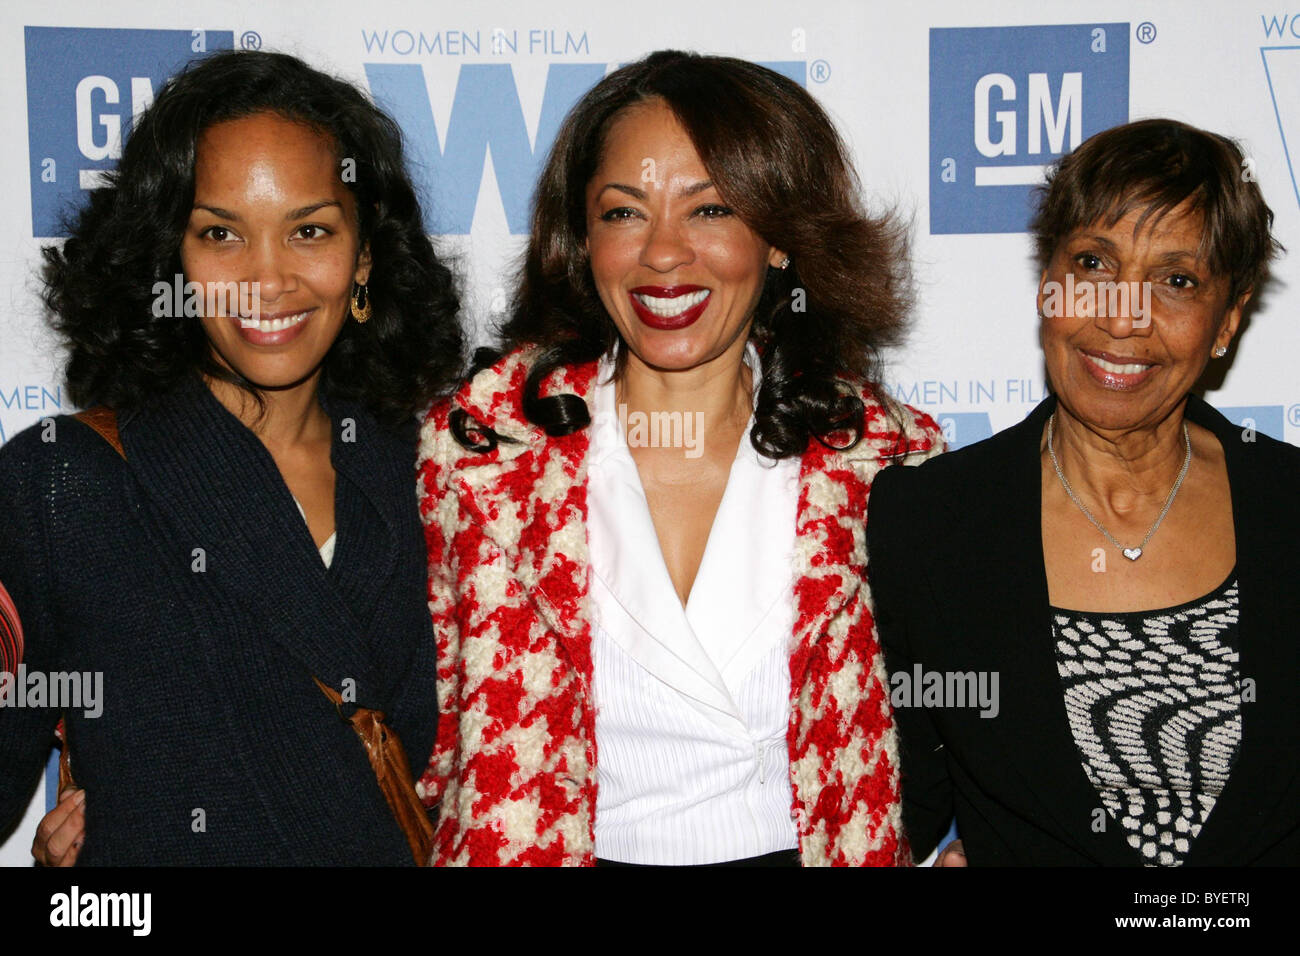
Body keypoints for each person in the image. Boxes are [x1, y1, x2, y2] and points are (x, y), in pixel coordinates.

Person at [416, 50, 943, 867]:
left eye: (710, 211)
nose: (663, 254)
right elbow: (426, 730)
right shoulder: (480, 451)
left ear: (780, 240)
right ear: (581, 239)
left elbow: (952, 729)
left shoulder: (885, 459)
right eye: (623, 213)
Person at [0, 49, 463, 865]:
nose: (267, 278)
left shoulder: (431, 473)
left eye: (310, 230)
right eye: (221, 234)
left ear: (363, 257)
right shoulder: (64, 480)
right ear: (168, 256)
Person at [868, 118, 1296, 866]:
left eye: (1176, 280)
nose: (1122, 316)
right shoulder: (928, 524)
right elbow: (889, 803)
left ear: (1227, 319)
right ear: (1047, 284)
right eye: (1094, 263)